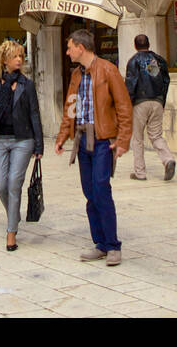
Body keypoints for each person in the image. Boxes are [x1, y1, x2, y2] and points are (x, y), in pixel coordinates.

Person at [55, 29, 132, 266]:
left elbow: (124, 106)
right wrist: (62, 136)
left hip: (103, 140)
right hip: (82, 139)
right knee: (89, 193)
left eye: (69, 48)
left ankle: (113, 245)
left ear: (81, 47)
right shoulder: (76, 75)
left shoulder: (108, 70)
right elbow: (70, 106)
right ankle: (99, 243)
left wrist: (122, 141)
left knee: (101, 188)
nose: (67, 52)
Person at [0, 40, 43, 251]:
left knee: (14, 183)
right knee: (0, 184)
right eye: (15, 56)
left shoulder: (27, 85)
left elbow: (34, 114)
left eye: (21, 56)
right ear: (4, 60)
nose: (19, 60)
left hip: (23, 139)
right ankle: (14, 216)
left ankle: (11, 232)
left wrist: (39, 145)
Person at [125, 34, 175, 182]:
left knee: (138, 138)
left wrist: (128, 103)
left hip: (140, 102)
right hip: (157, 101)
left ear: (135, 46)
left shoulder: (134, 61)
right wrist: (161, 100)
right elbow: (165, 80)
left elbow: (131, 84)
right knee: (156, 135)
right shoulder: (156, 60)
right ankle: (168, 159)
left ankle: (140, 172)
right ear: (149, 43)